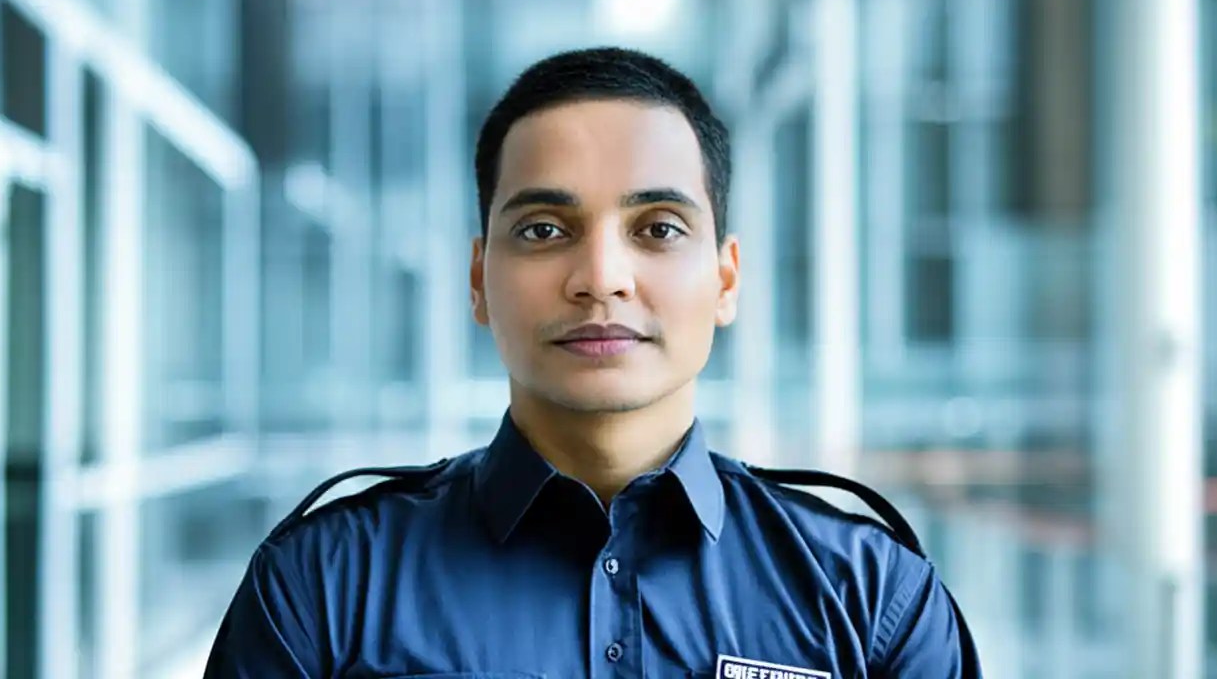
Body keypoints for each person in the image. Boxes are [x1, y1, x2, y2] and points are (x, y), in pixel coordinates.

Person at [204, 47, 981, 678]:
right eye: (544, 229)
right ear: (479, 280)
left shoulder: (870, 597)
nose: (601, 276)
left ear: (726, 277)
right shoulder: (325, 586)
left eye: (659, 228)